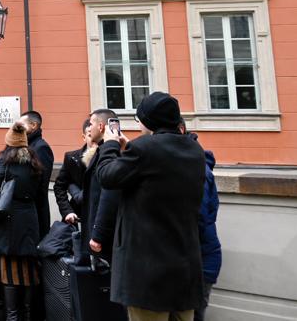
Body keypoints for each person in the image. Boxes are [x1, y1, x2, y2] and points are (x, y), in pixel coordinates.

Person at [96, 92, 205, 320]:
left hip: (148, 272)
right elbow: (155, 174)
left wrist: (110, 146)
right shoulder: (194, 150)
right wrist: (130, 151)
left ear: (149, 121)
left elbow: (107, 176)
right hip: (184, 267)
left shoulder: (144, 149)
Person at [0, 121, 47, 321]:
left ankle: (12, 317)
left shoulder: (4, 163)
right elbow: (40, 195)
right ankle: (26, 315)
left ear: (9, 142)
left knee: (8, 272)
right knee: (27, 270)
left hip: (6, 221)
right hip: (29, 219)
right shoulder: (35, 163)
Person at [182, 120, 221, 321]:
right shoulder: (192, 165)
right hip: (194, 261)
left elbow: (197, 217)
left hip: (198, 263)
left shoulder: (196, 170)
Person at [78, 109, 121, 261]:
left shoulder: (109, 152)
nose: (88, 129)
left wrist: (98, 234)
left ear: (101, 126)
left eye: (90, 124)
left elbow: (108, 194)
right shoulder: (103, 150)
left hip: (105, 236)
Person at [18, 110, 53, 235]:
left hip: (35, 211)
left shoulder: (41, 147)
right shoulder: (28, 145)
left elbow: (40, 184)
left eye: (21, 125)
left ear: (33, 125)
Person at [53, 118, 92, 226]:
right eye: (90, 135)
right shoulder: (72, 157)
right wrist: (67, 212)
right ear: (84, 137)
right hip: (77, 216)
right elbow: (59, 186)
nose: (93, 138)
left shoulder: (109, 156)